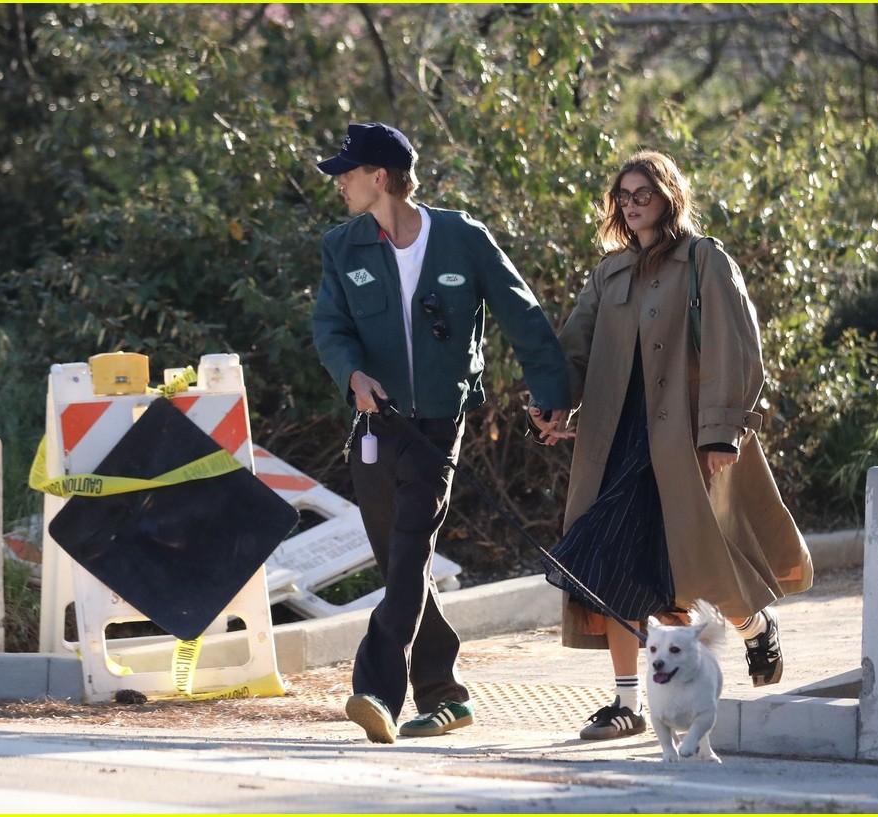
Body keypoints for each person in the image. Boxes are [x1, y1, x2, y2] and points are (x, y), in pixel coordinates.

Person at [530, 150, 813, 741]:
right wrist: (552, 403)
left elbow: (734, 348)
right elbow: (574, 349)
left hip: (680, 438)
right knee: (612, 565)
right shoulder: (608, 272)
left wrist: (720, 432)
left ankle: (754, 625)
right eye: (623, 197)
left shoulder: (703, 260)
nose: (632, 206)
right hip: (614, 442)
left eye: (643, 194)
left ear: (669, 196)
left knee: (696, 566)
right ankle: (628, 702)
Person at [312, 122, 572, 744]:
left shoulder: (461, 238)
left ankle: (375, 688)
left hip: (437, 422)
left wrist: (551, 397)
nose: (339, 182)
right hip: (375, 422)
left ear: (381, 178)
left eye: (348, 172)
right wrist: (352, 377)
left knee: (408, 546)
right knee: (401, 558)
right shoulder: (342, 246)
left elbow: (524, 317)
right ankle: (446, 695)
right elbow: (330, 326)